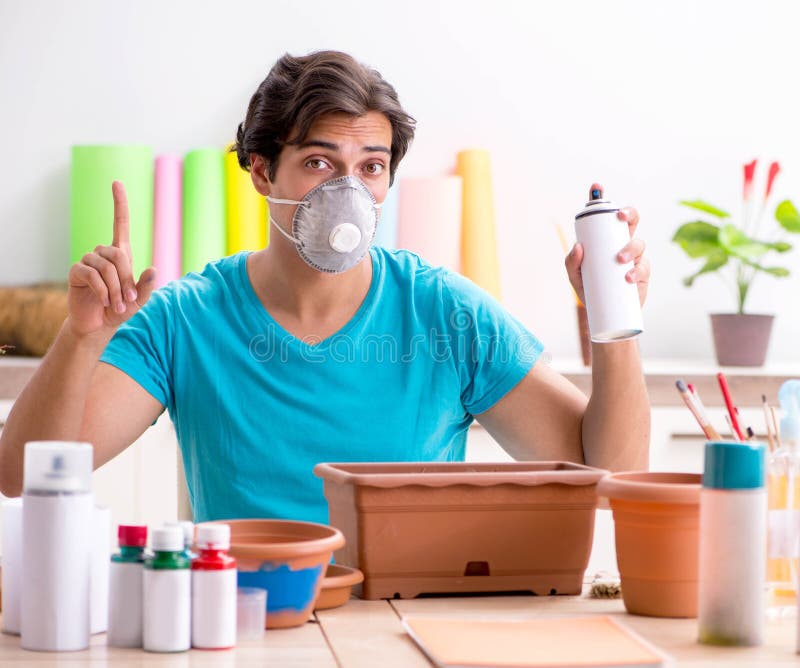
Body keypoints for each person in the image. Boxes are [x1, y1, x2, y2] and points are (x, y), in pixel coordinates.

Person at [0, 51, 650, 524]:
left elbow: (612, 475)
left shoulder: (444, 313)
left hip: (400, 623)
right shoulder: (184, 320)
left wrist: (612, 320)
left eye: (370, 167)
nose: (348, 191)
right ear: (260, 171)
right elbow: (23, 476)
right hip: (250, 624)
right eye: (318, 163)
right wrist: (81, 337)